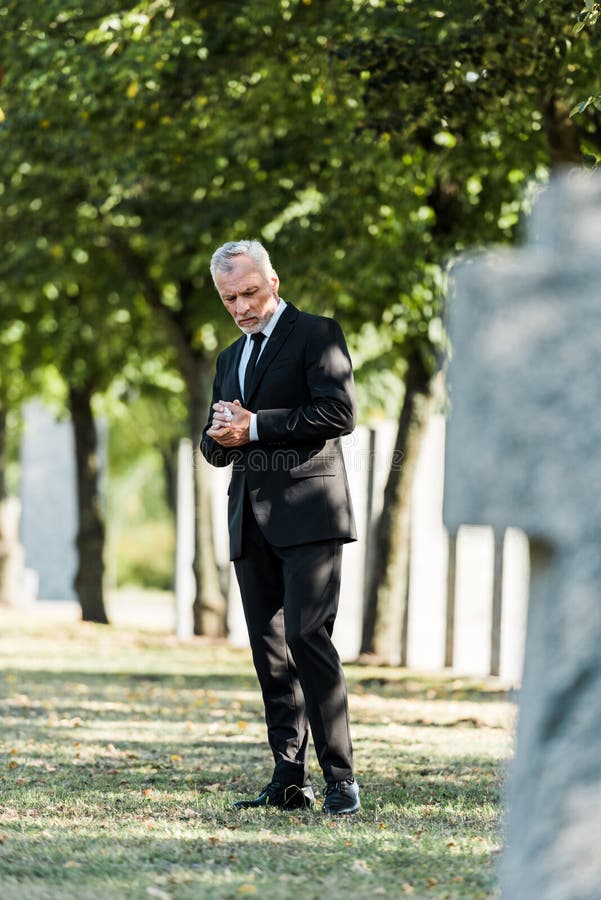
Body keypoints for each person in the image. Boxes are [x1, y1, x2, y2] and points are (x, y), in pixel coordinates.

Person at [200, 240, 360, 815]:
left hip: (311, 514)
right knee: (270, 656)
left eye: (248, 292)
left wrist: (257, 427)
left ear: (272, 278)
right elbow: (216, 445)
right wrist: (221, 435)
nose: (241, 307)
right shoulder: (228, 358)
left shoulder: (318, 333)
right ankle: (289, 779)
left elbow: (338, 412)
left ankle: (341, 780)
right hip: (251, 522)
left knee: (306, 639)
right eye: (229, 299)